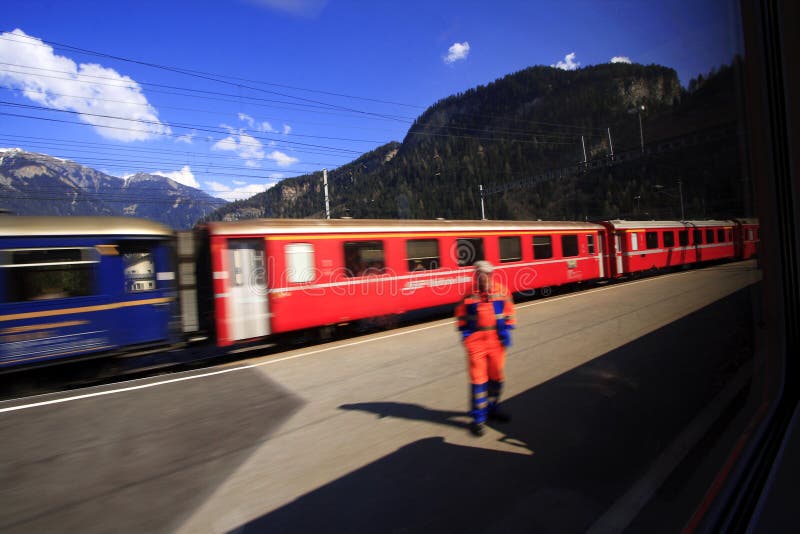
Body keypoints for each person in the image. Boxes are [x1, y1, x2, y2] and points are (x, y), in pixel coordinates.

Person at [455, 260, 516, 436]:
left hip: (496, 340)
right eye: (480, 274)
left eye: (486, 274)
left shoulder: (502, 290)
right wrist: (467, 336)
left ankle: (493, 408)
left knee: (497, 376)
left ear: (491, 275)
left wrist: (507, 330)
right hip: (477, 342)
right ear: (476, 275)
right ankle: (478, 419)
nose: (483, 277)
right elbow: (461, 316)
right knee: (478, 380)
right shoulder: (469, 293)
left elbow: (510, 312)